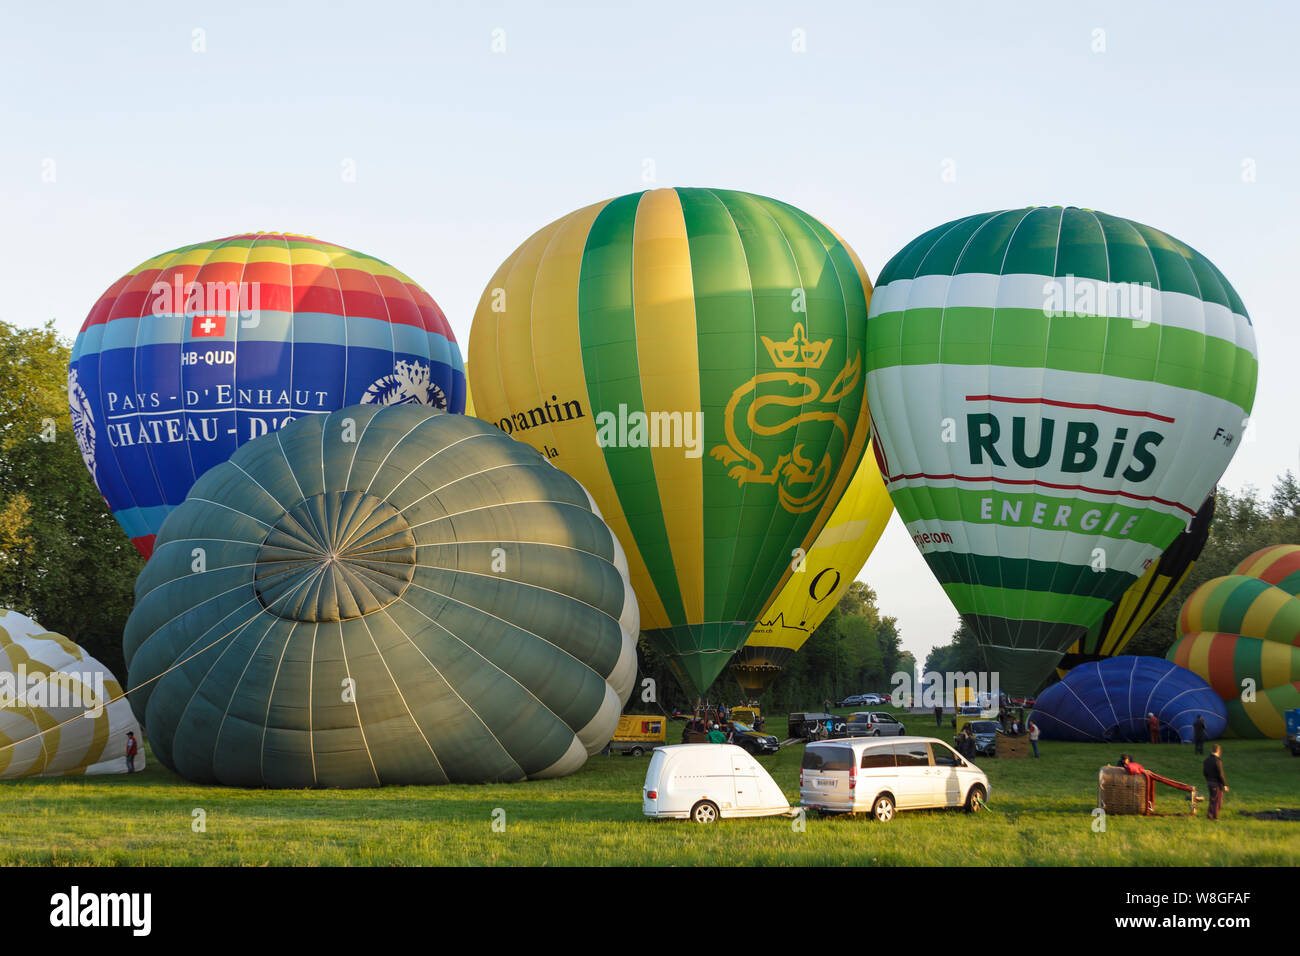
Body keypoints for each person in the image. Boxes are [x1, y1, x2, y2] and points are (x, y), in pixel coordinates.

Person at [1203, 744, 1228, 821]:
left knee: (1212, 799)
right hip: (1216, 783)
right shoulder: (1217, 761)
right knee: (1217, 801)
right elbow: (1221, 774)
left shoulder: (1206, 760)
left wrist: (1208, 779)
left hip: (1209, 782)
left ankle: (1210, 816)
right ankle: (1215, 817)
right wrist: (1225, 785)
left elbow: (1204, 772)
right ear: (1218, 751)